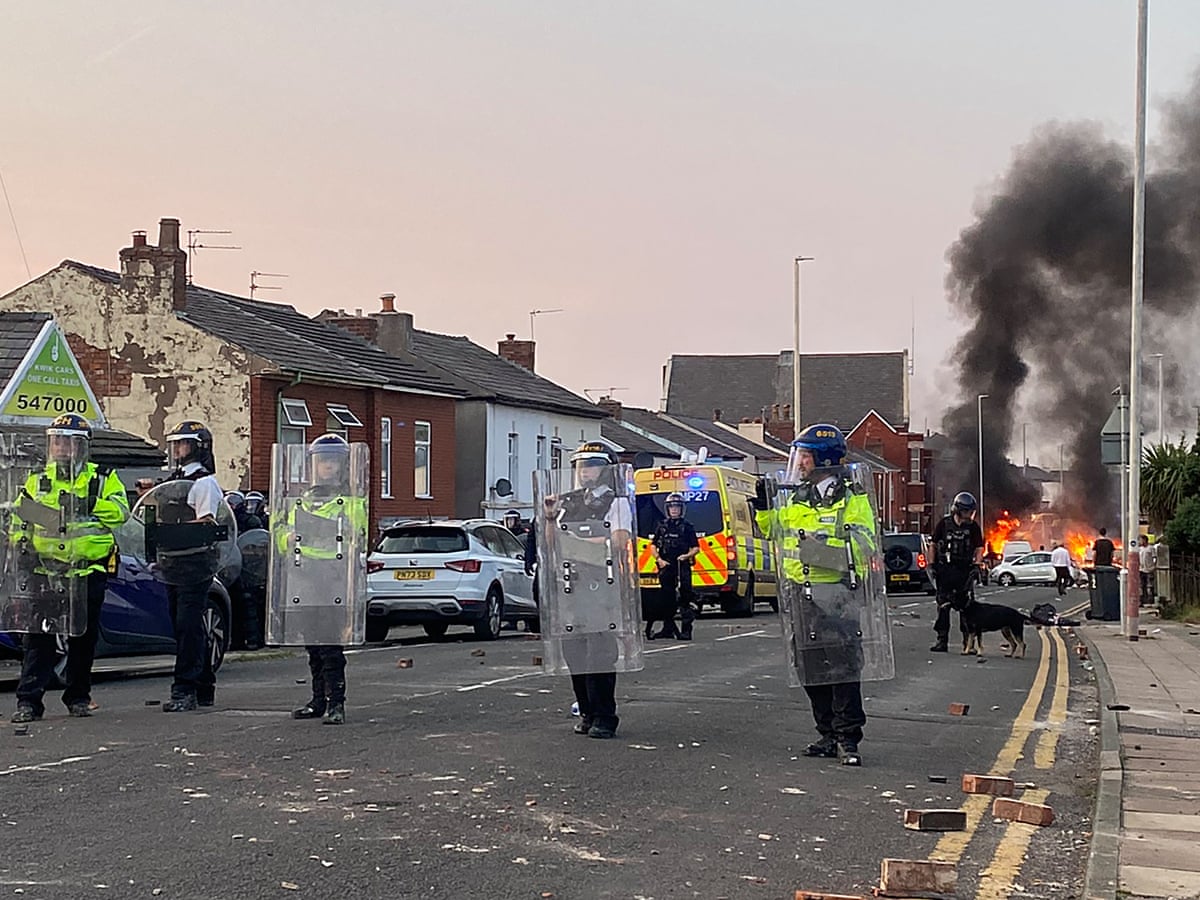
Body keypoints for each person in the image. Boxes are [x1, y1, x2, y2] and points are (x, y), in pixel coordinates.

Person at [753, 424, 877, 767]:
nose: (800, 463)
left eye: (805, 455)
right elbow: (774, 531)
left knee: (843, 666)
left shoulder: (852, 498)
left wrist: (820, 551)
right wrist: (763, 506)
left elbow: (864, 543)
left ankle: (847, 737)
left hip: (836, 592)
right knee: (808, 664)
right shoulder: (797, 496)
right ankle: (826, 732)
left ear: (823, 458)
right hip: (800, 593)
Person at [9, 414, 128, 723]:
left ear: (81, 446)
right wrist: (21, 546)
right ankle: (29, 702)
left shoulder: (101, 478)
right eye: (56, 441)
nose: (60, 447)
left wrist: (89, 502)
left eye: (67, 441)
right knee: (38, 640)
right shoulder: (37, 478)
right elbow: (20, 519)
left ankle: (78, 697)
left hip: (87, 571)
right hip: (45, 571)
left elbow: (121, 513)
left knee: (82, 641)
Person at [536, 442, 636, 739]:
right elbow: (551, 544)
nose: (585, 472)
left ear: (605, 469)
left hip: (600, 584)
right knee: (574, 654)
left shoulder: (615, 503)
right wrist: (551, 519)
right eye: (581, 466)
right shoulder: (568, 502)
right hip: (569, 585)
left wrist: (575, 547)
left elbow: (617, 541)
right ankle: (587, 711)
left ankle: (605, 716)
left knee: (599, 654)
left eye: (592, 465)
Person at [287, 434, 368, 726]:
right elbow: (284, 536)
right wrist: (288, 539)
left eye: (333, 462)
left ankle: (337, 703)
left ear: (343, 466)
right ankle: (317, 699)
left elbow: (354, 538)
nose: (327, 467)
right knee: (312, 645)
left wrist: (325, 533)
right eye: (322, 462)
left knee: (330, 644)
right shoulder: (302, 501)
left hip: (333, 577)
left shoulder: (351, 502)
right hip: (305, 576)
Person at [157, 420, 227, 713]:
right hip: (174, 561)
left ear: (198, 448)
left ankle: (184, 688)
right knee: (185, 625)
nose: (177, 449)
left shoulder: (203, 482)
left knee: (188, 625)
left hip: (196, 561)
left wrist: (176, 529)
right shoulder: (174, 479)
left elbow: (206, 522)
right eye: (174, 444)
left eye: (182, 444)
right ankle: (203, 684)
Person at [929, 492, 985, 653]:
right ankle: (942, 640)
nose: (970, 515)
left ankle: (968, 643)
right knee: (943, 607)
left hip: (964, 571)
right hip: (945, 570)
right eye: (967, 511)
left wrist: (977, 565)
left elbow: (979, 547)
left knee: (966, 608)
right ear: (958, 510)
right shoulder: (944, 524)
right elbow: (933, 544)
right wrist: (931, 565)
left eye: (971, 512)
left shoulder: (973, 527)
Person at [646, 492, 700, 640]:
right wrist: (659, 560)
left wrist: (686, 556)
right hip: (666, 566)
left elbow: (696, 547)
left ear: (682, 509)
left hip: (681, 565)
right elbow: (653, 546)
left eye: (677, 507)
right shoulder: (662, 526)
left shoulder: (687, 527)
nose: (674, 510)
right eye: (672, 507)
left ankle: (686, 630)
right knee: (666, 598)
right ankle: (667, 628)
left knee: (685, 598)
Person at [1138, 535, 1157, 605]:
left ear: (1145, 540)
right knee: (1142, 585)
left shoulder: (1151, 548)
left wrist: (1153, 566)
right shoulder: (1140, 549)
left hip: (1149, 569)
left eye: (1141, 540)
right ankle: (1143, 600)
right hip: (1141, 569)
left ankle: (1150, 600)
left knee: (1150, 585)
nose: (1140, 542)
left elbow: (1154, 557)